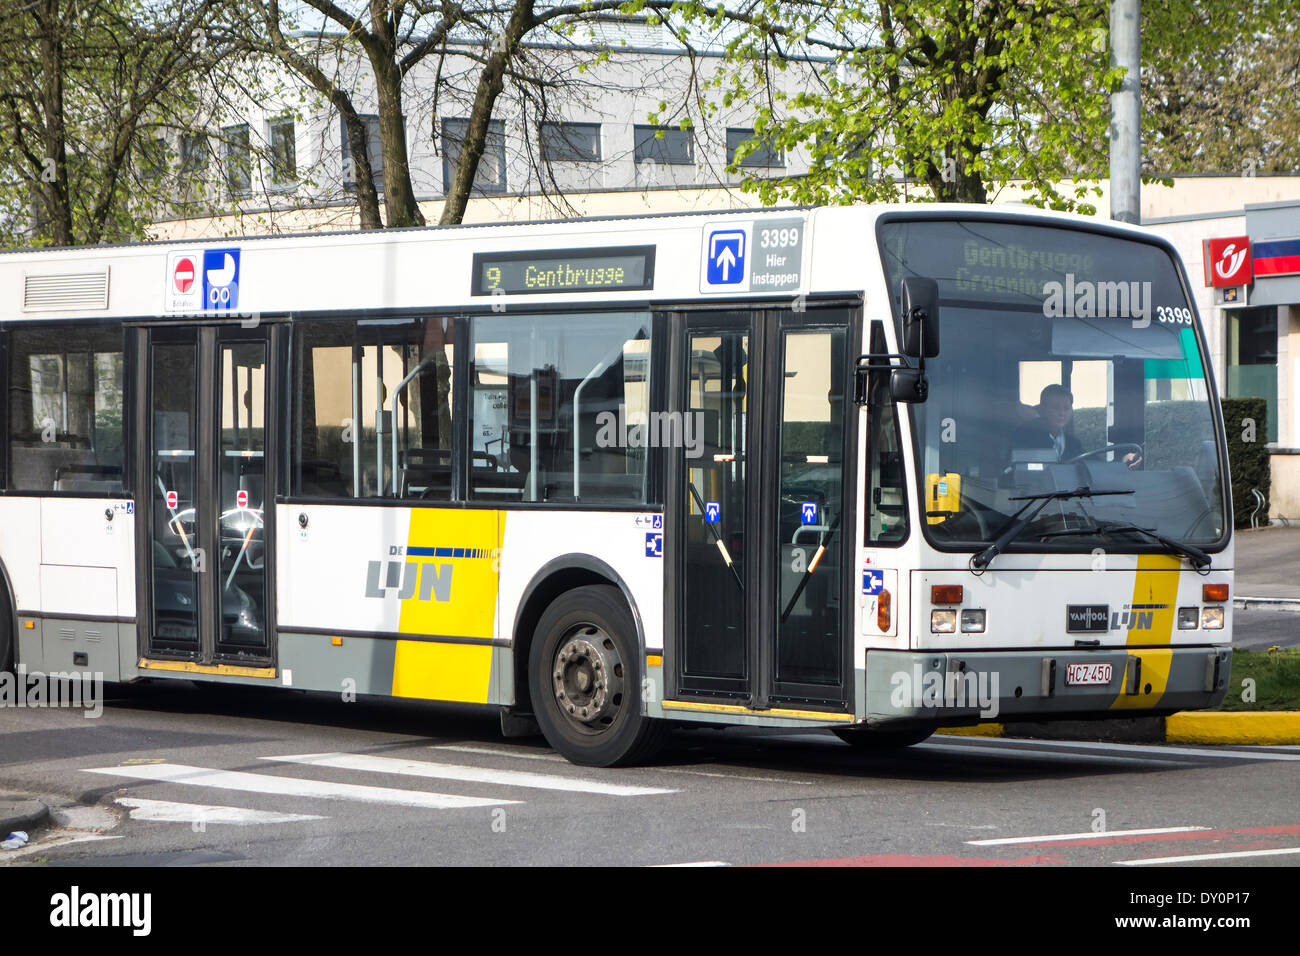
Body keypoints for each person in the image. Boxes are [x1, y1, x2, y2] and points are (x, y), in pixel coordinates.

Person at [1012, 383, 1082, 461]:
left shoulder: (1073, 443)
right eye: (1056, 407)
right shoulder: (1025, 435)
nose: (1062, 413)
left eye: (1066, 408)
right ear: (1042, 409)